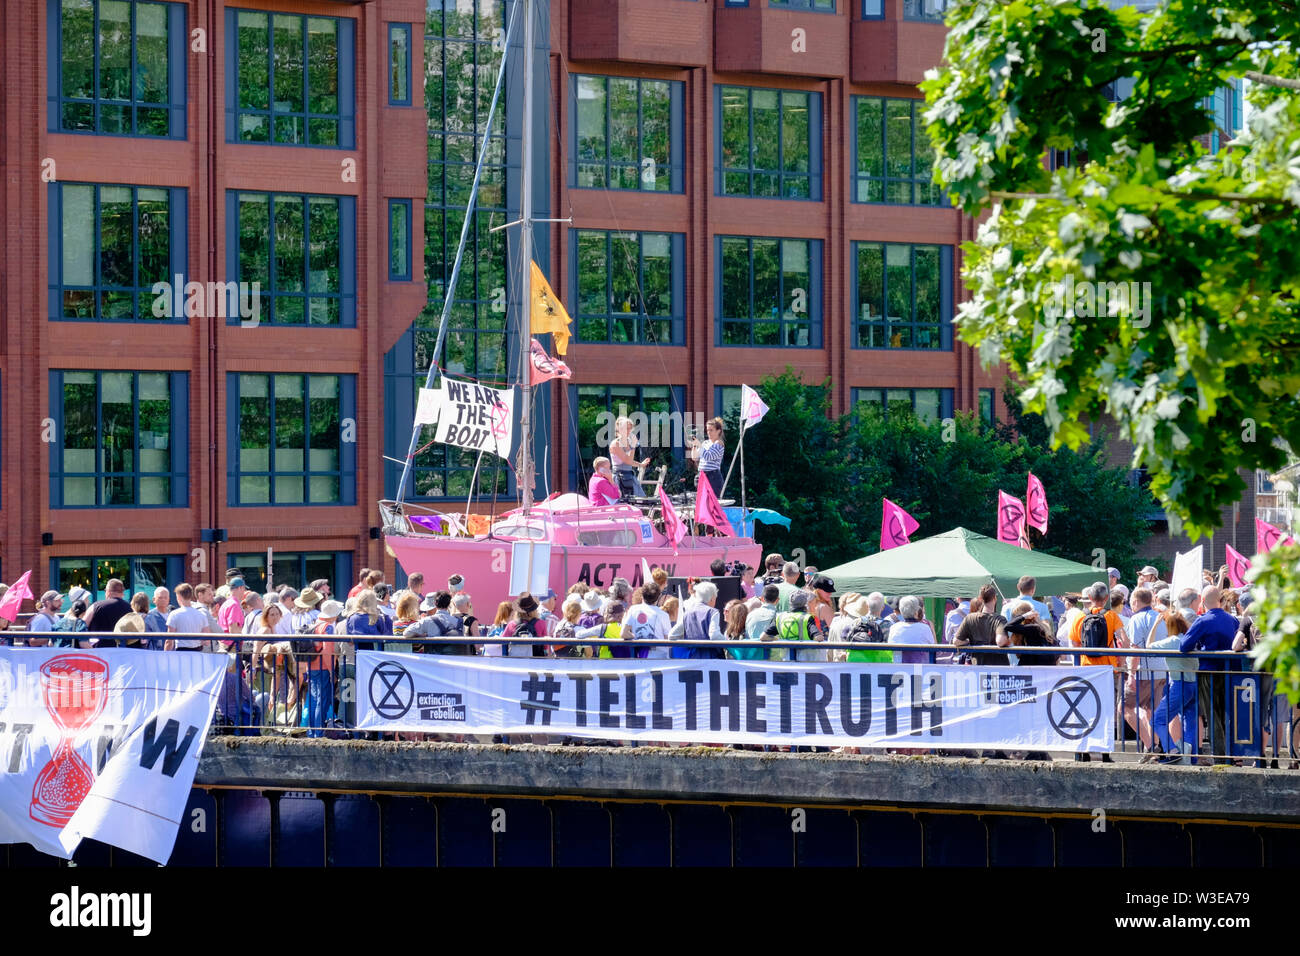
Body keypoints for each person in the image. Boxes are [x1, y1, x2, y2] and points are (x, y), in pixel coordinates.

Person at [1180, 584, 1239, 762]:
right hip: (1230, 673)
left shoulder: (1202, 620)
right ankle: (1233, 756)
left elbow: (1184, 646)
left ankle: (1220, 758)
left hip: (1209, 673)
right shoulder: (1233, 619)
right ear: (1220, 600)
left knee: (1213, 716)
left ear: (1203, 602)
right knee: (1230, 714)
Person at [1125, 587, 1167, 758]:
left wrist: (1131, 674)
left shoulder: (1136, 619)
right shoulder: (1161, 617)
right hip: (1162, 671)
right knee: (1152, 711)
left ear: (1135, 601)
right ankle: (1154, 748)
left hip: (1145, 672)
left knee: (1125, 707)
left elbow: (1135, 649)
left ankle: (1150, 746)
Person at [1151, 611, 1198, 763]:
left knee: (1158, 720)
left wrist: (1155, 625)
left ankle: (1172, 750)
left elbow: (1148, 646)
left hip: (1179, 684)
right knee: (1189, 721)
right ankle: (1190, 757)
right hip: (1193, 684)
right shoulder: (1189, 639)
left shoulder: (1172, 641)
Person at [954, 586, 1008, 666]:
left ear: (980, 599)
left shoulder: (969, 618)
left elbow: (956, 641)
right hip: (997, 667)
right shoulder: (1000, 620)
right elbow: (1000, 641)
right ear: (995, 599)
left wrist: (969, 641)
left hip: (977, 667)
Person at [405, 591, 472, 655]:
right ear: (449, 604)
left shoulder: (427, 621)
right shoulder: (459, 622)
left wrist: (421, 635)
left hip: (434, 662)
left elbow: (407, 633)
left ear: (435, 603)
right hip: (454, 661)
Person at [769, 590, 824, 663]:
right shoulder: (807, 618)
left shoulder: (780, 617)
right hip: (806, 662)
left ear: (790, 603)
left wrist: (780, 640)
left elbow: (763, 637)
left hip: (786, 660)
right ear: (805, 604)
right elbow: (818, 637)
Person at [675, 581, 726, 659]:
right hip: (710, 657)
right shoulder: (713, 612)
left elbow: (672, 635)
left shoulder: (687, 612)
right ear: (712, 598)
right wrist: (728, 642)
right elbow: (714, 635)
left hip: (691, 657)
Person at [624, 583, 671, 659]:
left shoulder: (633, 609)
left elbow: (624, 634)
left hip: (639, 658)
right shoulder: (664, 615)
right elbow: (668, 640)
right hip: (660, 660)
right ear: (658, 597)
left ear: (642, 595)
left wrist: (638, 638)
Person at [887, 596, 936, 665]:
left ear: (901, 610)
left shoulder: (894, 628)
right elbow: (933, 646)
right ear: (917, 611)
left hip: (899, 669)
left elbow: (890, 647)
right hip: (922, 669)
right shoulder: (925, 628)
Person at [846, 594, 892, 664]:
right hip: (878, 664)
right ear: (883, 607)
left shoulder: (856, 622)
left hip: (857, 662)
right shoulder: (888, 625)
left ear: (867, 606)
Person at [84, 579, 132, 646]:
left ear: (108, 591)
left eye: (105, 591)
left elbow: (83, 624)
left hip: (98, 650)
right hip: (121, 650)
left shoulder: (95, 606)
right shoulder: (130, 608)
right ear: (122, 593)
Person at [165, 582, 212, 652]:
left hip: (181, 652)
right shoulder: (202, 615)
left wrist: (166, 656)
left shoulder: (174, 614)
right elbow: (207, 641)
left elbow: (169, 641)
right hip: (197, 652)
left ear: (179, 597)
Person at [610, 416, 650, 497]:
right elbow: (627, 460)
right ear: (619, 429)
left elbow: (629, 461)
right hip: (619, 478)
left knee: (639, 502)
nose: (629, 431)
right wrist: (633, 446)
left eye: (630, 428)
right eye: (626, 428)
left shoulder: (628, 442)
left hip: (629, 476)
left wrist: (641, 465)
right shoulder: (615, 444)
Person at [502, 592, 549, 658]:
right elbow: (545, 646)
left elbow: (503, 641)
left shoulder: (512, 624)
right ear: (534, 609)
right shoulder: (541, 623)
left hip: (516, 660)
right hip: (536, 660)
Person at [693, 417, 725, 499]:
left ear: (718, 431)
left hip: (713, 477)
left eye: (711, 430)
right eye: (707, 430)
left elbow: (709, 456)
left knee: (713, 502)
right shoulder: (705, 443)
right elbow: (695, 457)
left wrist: (699, 445)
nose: (708, 432)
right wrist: (694, 445)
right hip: (702, 475)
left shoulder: (719, 443)